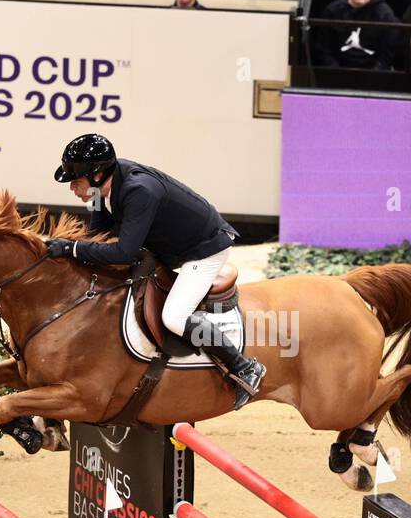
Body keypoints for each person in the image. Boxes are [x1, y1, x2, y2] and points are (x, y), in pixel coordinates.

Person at [46, 134, 266, 409]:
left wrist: (72, 249)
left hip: (204, 249)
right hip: (170, 246)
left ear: (98, 175)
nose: (72, 189)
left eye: (75, 182)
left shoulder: (140, 191)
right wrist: (76, 251)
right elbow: (99, 233)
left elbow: (124, 251)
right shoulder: (101, 189)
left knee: (174, 316)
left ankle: (243, 367)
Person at [312, 0, 402, 71]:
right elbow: (323, 48)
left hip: (375, 77)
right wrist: (335, 71)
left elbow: (387, 54)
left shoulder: (384, 14)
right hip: (336, 74)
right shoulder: (332, 11)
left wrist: (375, 74)